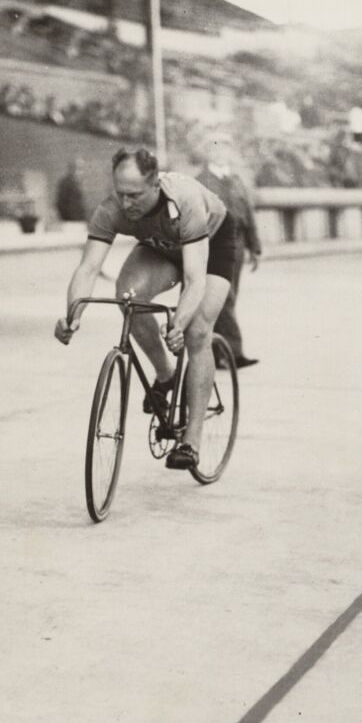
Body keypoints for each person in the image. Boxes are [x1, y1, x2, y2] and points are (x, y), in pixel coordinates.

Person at [54, 147, 235, 470]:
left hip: (211, 243)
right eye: (120, 194)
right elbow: (88, 268)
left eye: (135, 196)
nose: (126, 204)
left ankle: (191, 441)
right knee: (128, 296)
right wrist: (72, 316)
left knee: (196, 330)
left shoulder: (184, 200)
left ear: (156, 185)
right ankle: (165, 375)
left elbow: (195, 281)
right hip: (163, 246)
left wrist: (177, 324)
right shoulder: (112, 209)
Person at [195, 133, 262, 369]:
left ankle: (218, 350)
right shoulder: (201, 180)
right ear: (207, 153)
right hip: (216, 244)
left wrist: (255, 247)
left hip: (239, 242)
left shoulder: (235, 179)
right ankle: (232, 352)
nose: (220, 153)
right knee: (224, 297)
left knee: (230, 296)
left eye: (224, 148)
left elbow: (248, 214)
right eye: (215, 149)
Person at [55, 157, 87, 222]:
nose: (81, 173)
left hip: (78, 221)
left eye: (82, 169)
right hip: (70, 222)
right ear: (72, 169)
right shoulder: (65, 183)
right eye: (79, 169)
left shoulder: (77, 183)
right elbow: (61, 204)